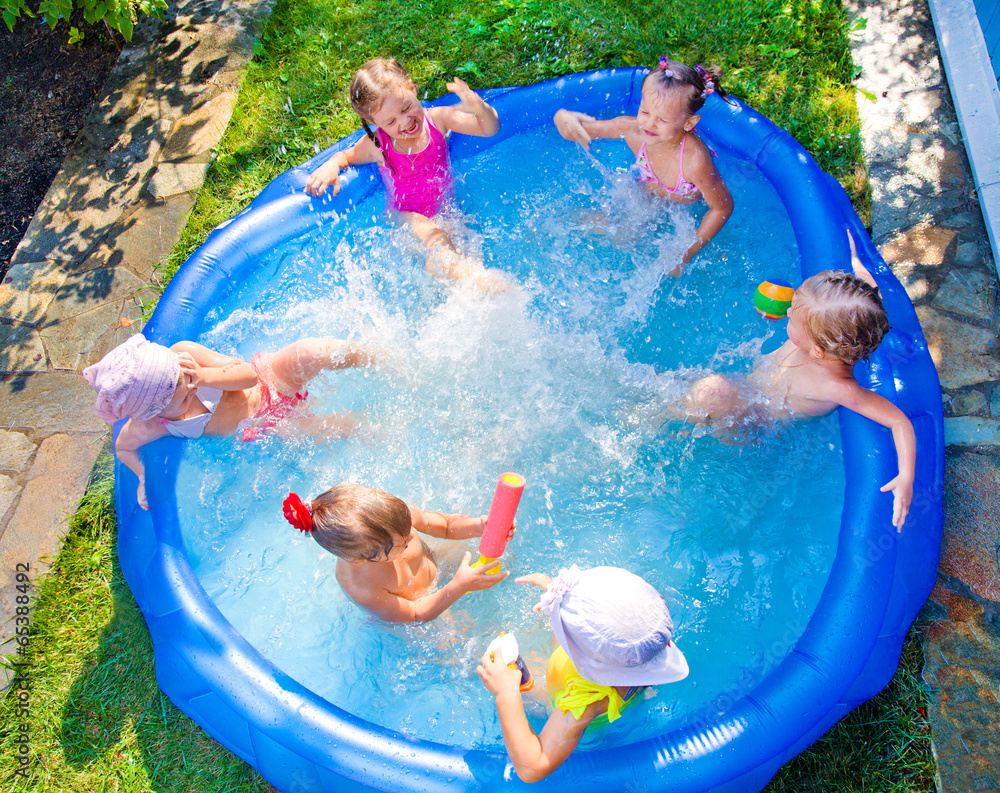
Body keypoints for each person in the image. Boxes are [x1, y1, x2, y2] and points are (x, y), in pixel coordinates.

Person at [675, 238, 915, 529]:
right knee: (709, 390)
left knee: (709, 394)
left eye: (793, 318)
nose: (787, 312)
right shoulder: (824, 327)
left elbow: (899, 421)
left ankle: (673, 431)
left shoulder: (836, 387)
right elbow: (867, 303)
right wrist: (854, 261)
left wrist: (906, 477)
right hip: (747, 387)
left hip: (754, 423)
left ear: (817, 350)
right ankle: (672, 422)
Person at [84, 334, 375, 510]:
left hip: (269, 380)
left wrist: (205, 375)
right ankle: (379, 427)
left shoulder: (187, 354)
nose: (190, 387)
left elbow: (246, 374)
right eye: (180, 396)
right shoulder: (151, 425)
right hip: (267, 425)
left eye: (185, 378)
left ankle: (381, 356)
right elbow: (123, 448)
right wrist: (142, 475)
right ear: (153, 411)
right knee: (338, 428)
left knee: (312, 352)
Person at [304, 57, 505, 291]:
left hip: (444, 211)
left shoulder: (439, 120)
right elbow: (346, 156)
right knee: (436, 238)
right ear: (373, 122)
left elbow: (490, 129)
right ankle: (481, 281)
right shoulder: (377, 145)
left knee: (455, 254)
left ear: (411, 88)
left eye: (406, 107)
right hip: (404, 218)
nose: (405, 122)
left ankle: (464, 283)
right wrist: (331, 166)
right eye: (390, 121)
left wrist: (480, 108)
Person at [477, 565, 688, 783]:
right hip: (567, 677)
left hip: (565, 703)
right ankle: (527, 682)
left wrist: (506, 694)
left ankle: (522, 686)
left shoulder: (586, 700)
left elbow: (533, 766)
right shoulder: (645, 640)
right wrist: (561, 599)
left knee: (539, 701)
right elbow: (614, 620)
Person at [553, 57, 734, 273]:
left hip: (686, 208)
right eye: (645, 111)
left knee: (671, 266)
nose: (649, 124)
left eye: (663, 120)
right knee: (623, 236)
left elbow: (722, 207)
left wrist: (686, 252)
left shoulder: (695, 160)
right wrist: (562, 117)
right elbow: (575, 131)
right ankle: (559, 222)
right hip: (648, 193)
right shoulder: (632, 130)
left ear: (689, 123)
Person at [282, 483, 512, 623]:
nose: (411, 537)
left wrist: (480, 527)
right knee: (453, 644)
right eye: (396, 544)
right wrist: (458, 587)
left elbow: (445, 526)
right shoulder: (364, 588)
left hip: (433, 566)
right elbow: (414, 615)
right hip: (418, 607)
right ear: (360, 560)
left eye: (406, 528)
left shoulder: (390, 521)